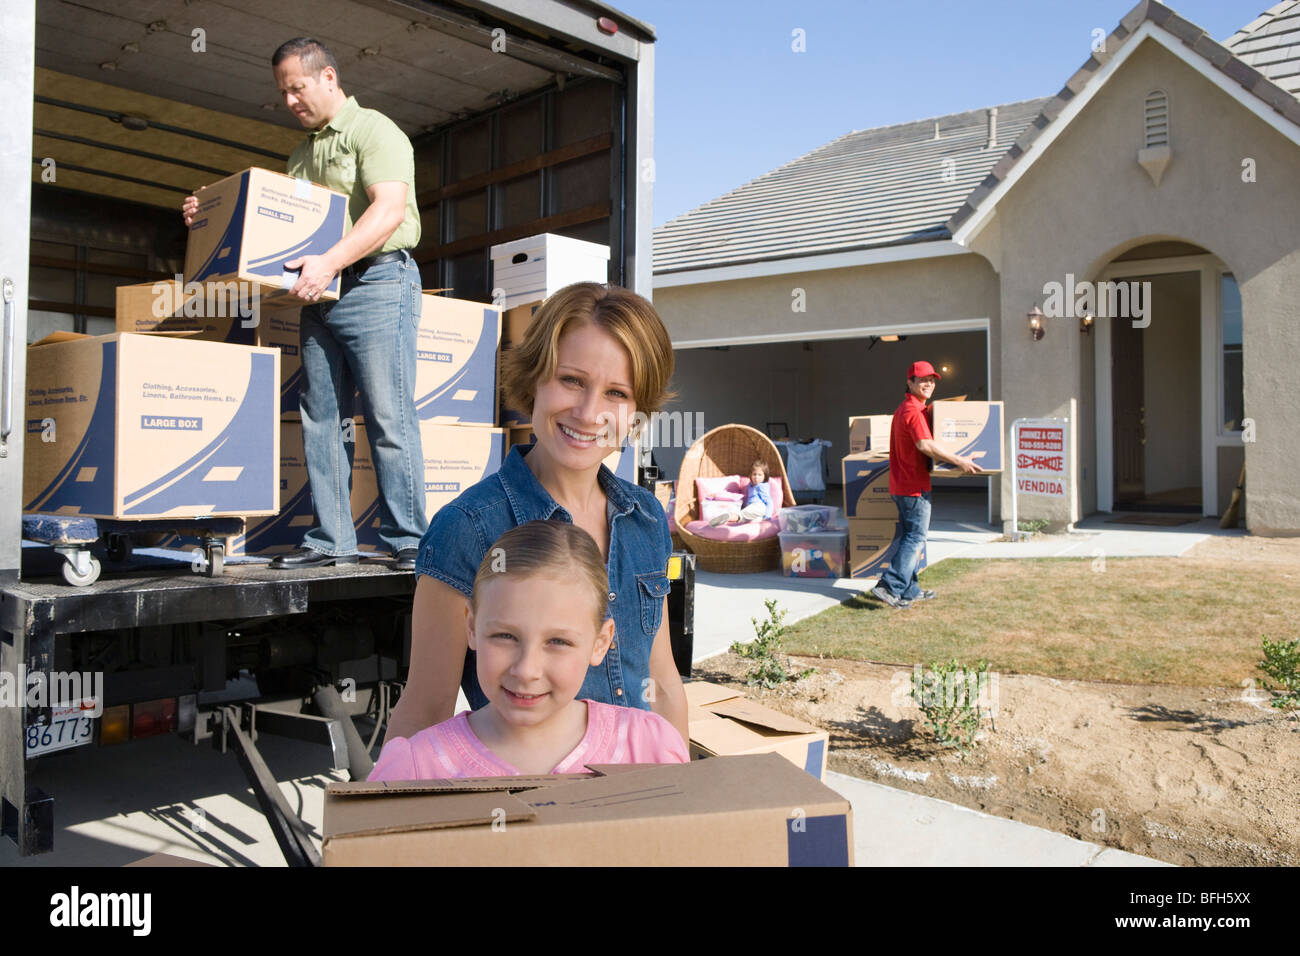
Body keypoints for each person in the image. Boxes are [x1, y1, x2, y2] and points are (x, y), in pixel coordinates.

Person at [384, 282, 690, 745]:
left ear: (637, 413)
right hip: (530, 803)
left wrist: (682, 801)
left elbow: (663, 683)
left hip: (638, 798)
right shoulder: (468, 528)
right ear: (535, 380)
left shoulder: (646, 517)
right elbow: (426, 706)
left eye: (616, 393)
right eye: (571, 380)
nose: (589, 414)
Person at [182, 37, 426, 570]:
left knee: (387, 413)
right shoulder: (301, 155)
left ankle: (409, 539)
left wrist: (329, 262)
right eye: (283, 92)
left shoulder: (375, 131)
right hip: (321, 291)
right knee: (321, 416)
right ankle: (330, 538)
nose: (290, 100)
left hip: (378, 283)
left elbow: (388, 211)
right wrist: (211, 213)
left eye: (298, 87)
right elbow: (276, 225)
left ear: (330, 78)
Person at [369, 521, 689, 778]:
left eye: (558, 642)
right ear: (471, 627)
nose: (526, 670)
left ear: (600, 643)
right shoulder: (414, 770)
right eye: (505, 636)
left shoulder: (650, 749)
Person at [872, 360, 981, 609]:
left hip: (902, 485)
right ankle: (889, 586)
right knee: (915, 538)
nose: (928, 383)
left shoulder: (908, 409)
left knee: (909, 536)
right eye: (922, 379)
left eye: (931, 380)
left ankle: (910, 591)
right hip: (913, 486)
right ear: (910, 382)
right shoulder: (914, 411)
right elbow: (926, 445)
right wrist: (959, 460)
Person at [708, 459, 773, 526]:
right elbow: (748, 497)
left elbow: (768, 501)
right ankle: (723, 521)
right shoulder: (750, 485)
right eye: (754, 474)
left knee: (741, 515)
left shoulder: (762, 486)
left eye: (760, 475)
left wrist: (768, 515)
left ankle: (729, 517)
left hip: (759, 506)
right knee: (751, 520)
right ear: (751, 475)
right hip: (752, 508)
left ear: (765, 476)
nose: (756, 477)